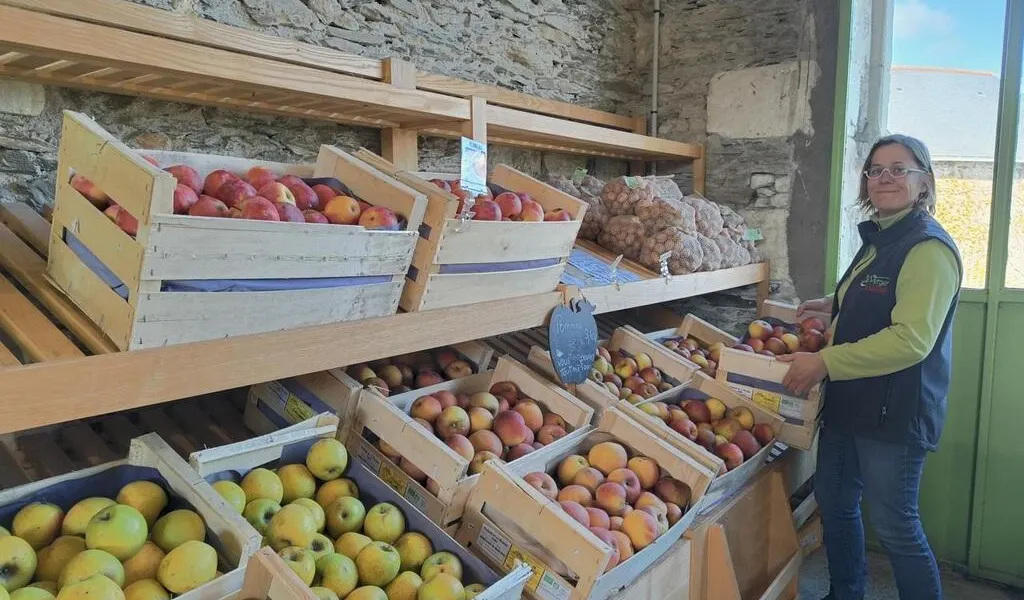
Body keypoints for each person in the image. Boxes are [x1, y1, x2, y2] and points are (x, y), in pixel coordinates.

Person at [777, 134, 962, 600]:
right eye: (876, 169)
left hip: (893, 414)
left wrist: (823, 361)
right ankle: (846, 593)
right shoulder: (881, 234)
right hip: (850, 401)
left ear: (924, 182)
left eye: (899, 169)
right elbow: (874, 298)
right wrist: (832, 305)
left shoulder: (927, 249)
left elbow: (911, 339)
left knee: (896, 525)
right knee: (836, 504)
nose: (885, 178)